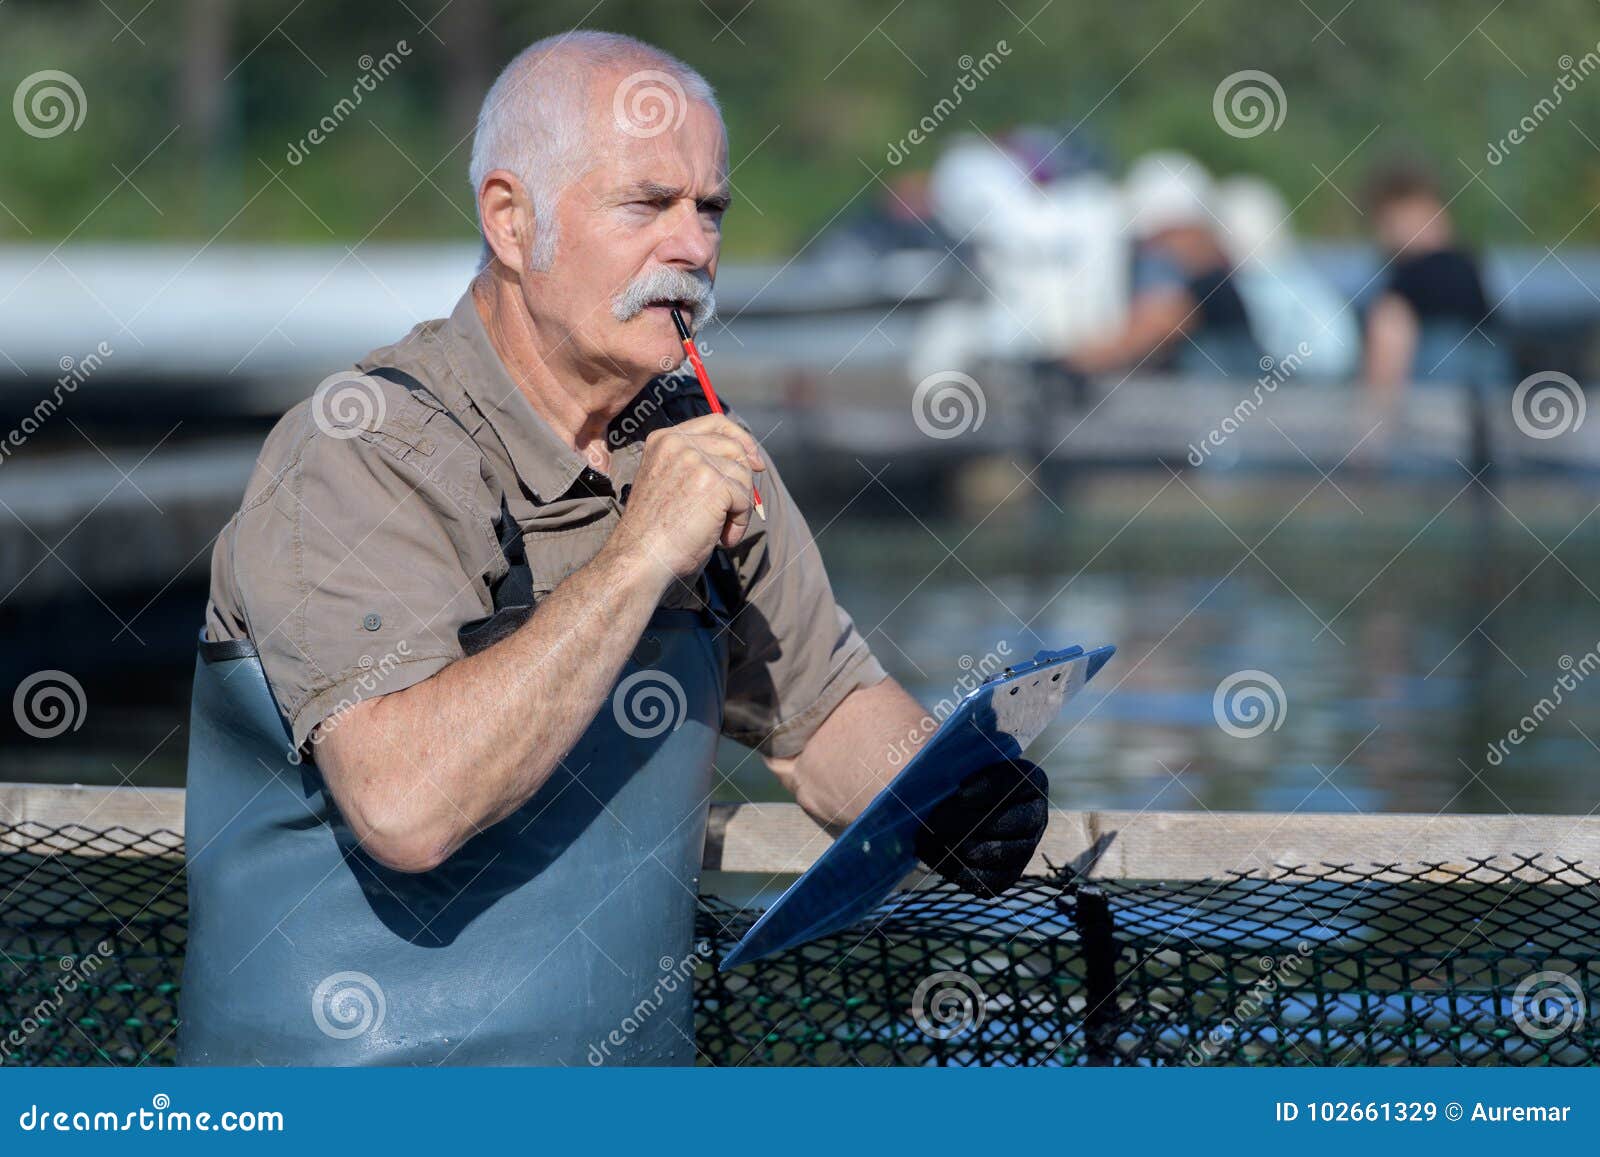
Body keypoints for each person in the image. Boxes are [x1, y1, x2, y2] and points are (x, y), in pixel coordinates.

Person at [178, 30, 1048, 1066]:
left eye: (709, 208)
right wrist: (639, 557)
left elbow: (816, 720)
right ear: (512, 219)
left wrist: (944, 788)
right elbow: (406, 804)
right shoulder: (360, 447)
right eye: (646, 205)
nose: (693, 247)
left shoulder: (696, 450)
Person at [1066, 152, 1262, 379]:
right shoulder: (1213, 280)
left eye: (1159, 239)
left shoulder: (1212, 284)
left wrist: (1068, 362)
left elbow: (1152, 326)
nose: (1152, 255)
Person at [1360, 162, 1505, 399]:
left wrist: (1372, 422)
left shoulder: (1404, 285)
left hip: (1434, 414)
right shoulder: (1471, 268)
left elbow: (1388, 337)